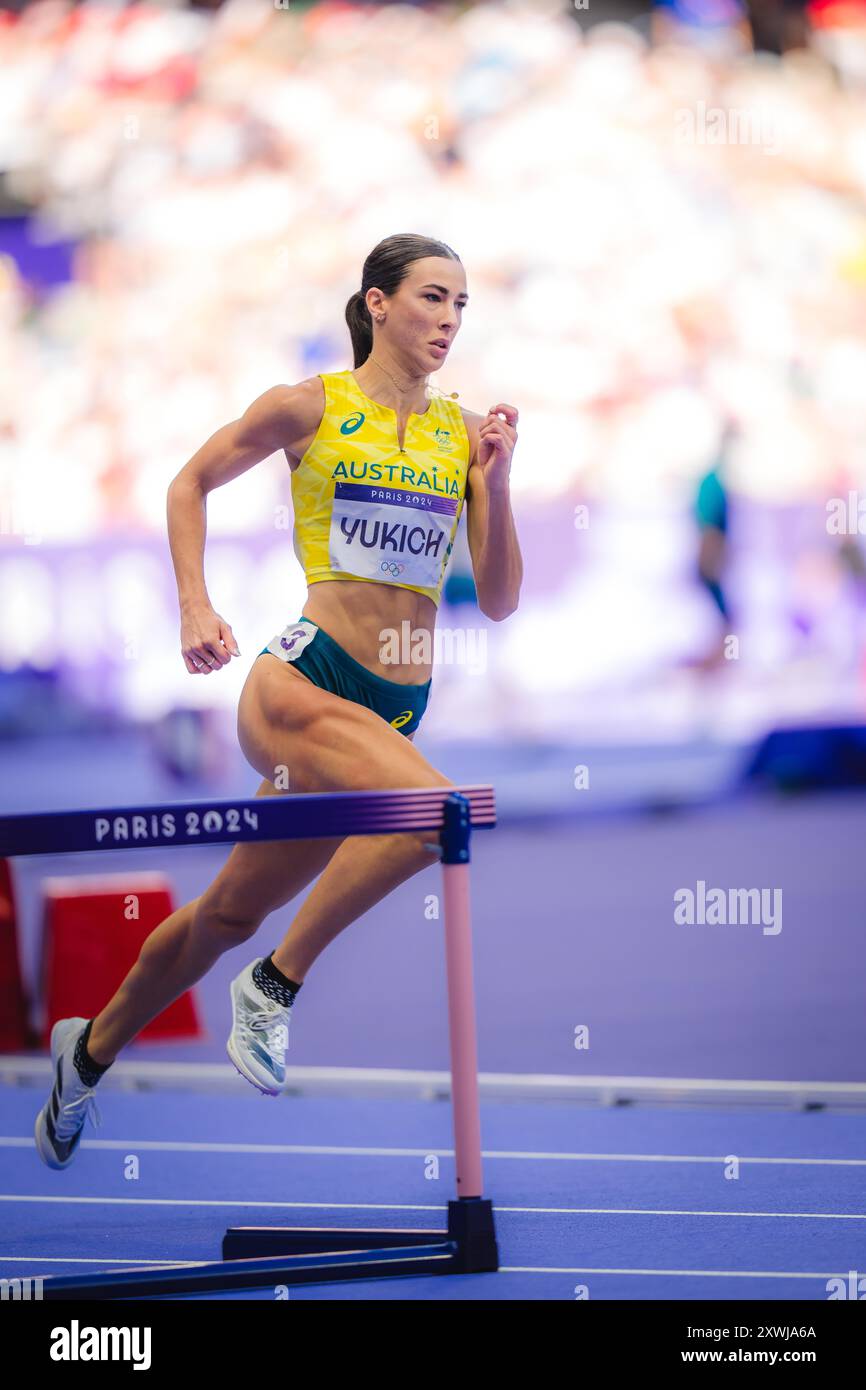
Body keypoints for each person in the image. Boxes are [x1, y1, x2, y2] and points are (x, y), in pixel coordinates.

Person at [35, 232, 523, 1168]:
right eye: (431, 298)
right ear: (376, 303)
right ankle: (275, 985)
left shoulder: (462, 435)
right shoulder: (308, 406)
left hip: (388, 714)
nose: (449, 322)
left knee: (222, 914)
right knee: (432, 817)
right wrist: (194, 604)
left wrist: (494, 488)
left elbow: (498, 599)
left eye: (461, 305)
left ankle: (86, 1051)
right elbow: (190, 482)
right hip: (299, 685)